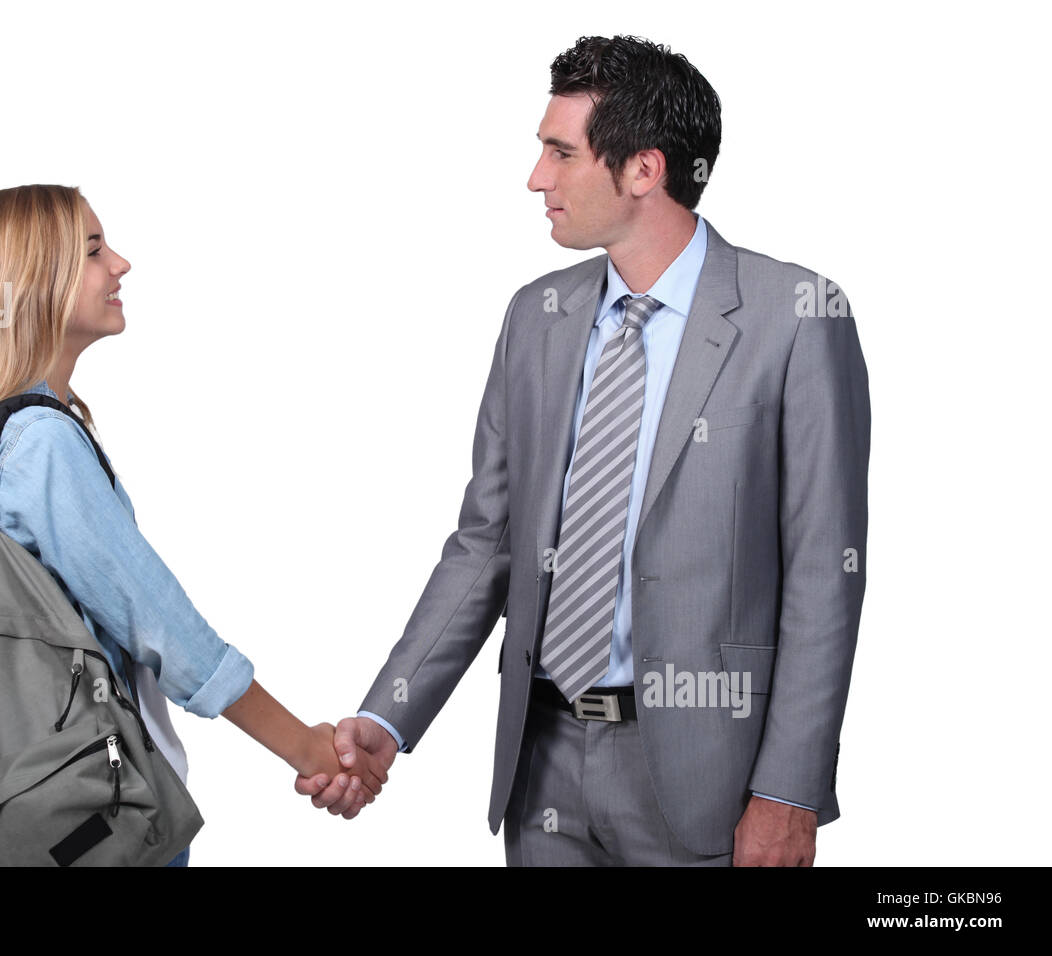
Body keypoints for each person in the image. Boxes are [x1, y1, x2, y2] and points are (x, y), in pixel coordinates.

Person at [296, 35, 870, 866]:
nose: (537, 178)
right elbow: (487, 545)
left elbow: (825, 570)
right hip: (544, 767)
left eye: (560, 153)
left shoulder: (795, 316)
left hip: (716, 780)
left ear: (644, 170)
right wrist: (388, 717)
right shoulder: (537, 318)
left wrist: (791, 790)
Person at [0, 184, 386, 865]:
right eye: (94, 250)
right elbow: (162, 627)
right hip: (102, 828)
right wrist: (307, 747)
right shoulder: (39, 443)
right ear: (31, 283)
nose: (121, 265)